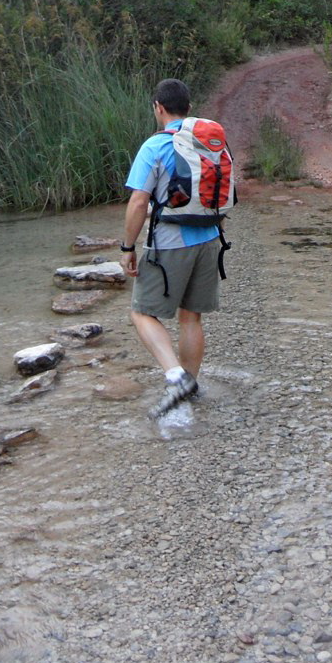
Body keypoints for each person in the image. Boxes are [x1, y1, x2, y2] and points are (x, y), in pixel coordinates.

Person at [120, 79, 225, 415]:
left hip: (169, 243)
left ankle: (176, 377)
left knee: (141, 311)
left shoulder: (155, 146)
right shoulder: (209, 142)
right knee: (190, 317)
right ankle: (191, 388)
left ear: (158, 107)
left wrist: (127, 247)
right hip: (210, 238)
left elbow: (139, 202)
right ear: (189, 109)